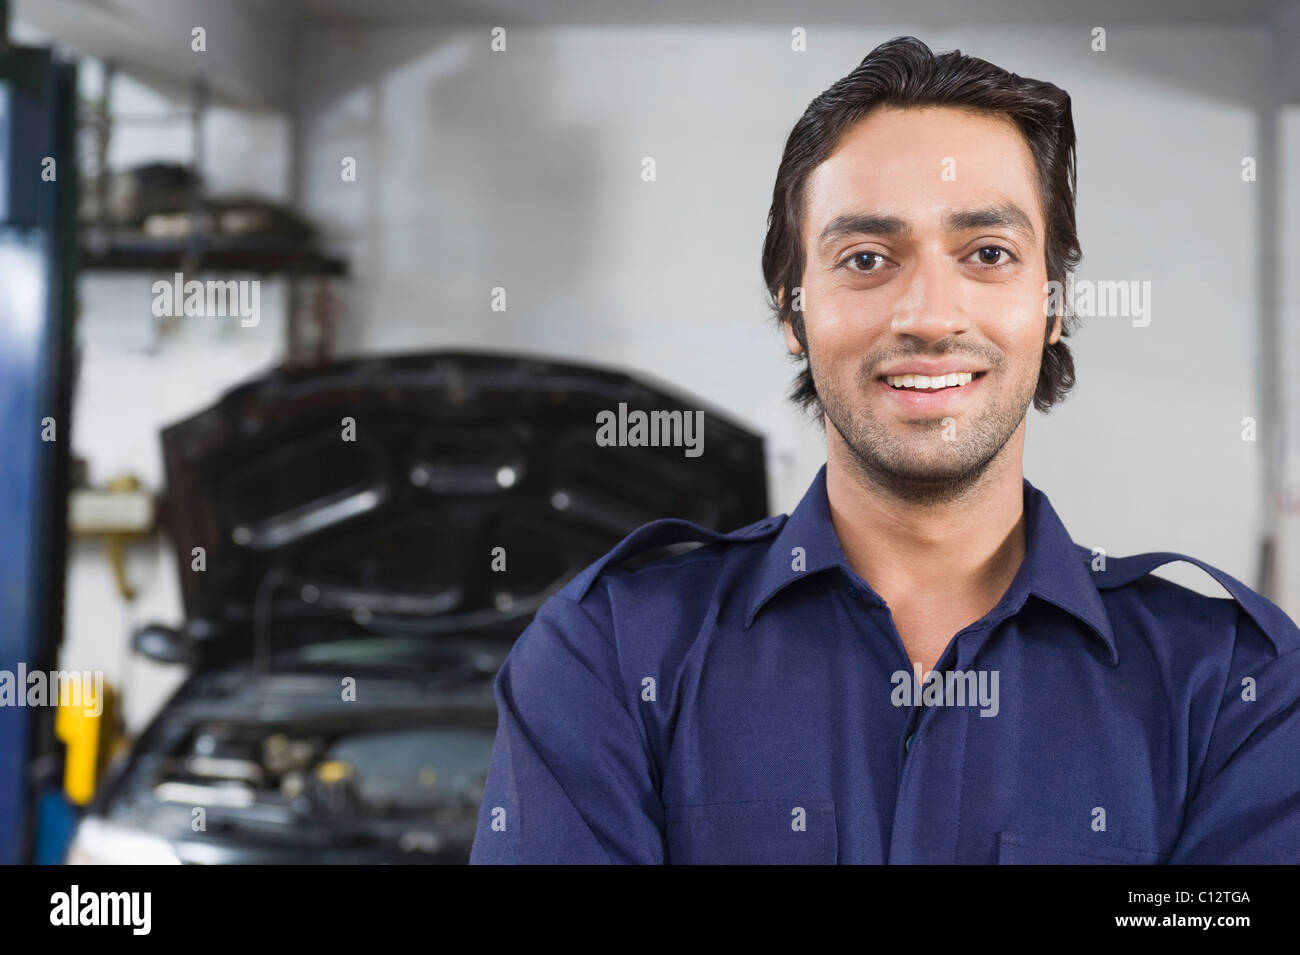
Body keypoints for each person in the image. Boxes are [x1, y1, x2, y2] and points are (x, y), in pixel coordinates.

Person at [469, 36, 1300, 864]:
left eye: (988, 255)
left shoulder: (1236, 686)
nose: (931, 316)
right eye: (866, 258)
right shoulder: (607, 653)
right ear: (794, 314)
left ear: (1051, 307)